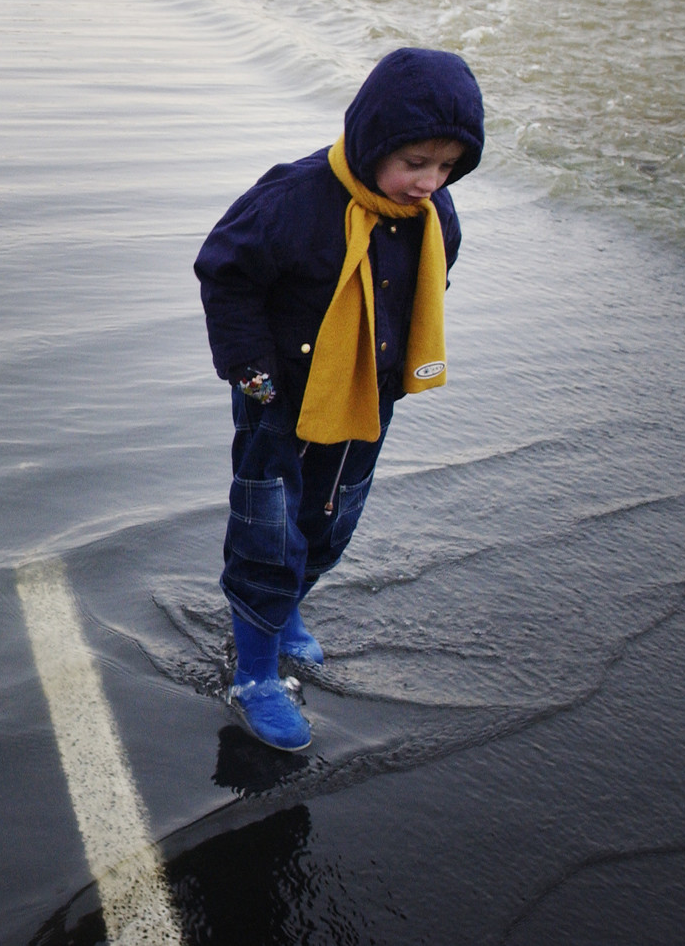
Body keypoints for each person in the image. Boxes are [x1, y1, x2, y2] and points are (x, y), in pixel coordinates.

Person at [193, 48, 485, 750]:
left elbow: (430, 282)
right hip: (281, 400)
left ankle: (289, 606)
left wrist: (391, 362)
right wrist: (248, 365)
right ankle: (256, 672)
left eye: (446, 167)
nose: (428, 181)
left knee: (332, 521)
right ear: (374, 136)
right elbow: (225, 271)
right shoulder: (294, 200)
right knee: (271, 530)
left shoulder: (431, 214)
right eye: (416, 161)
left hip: (366, 402)